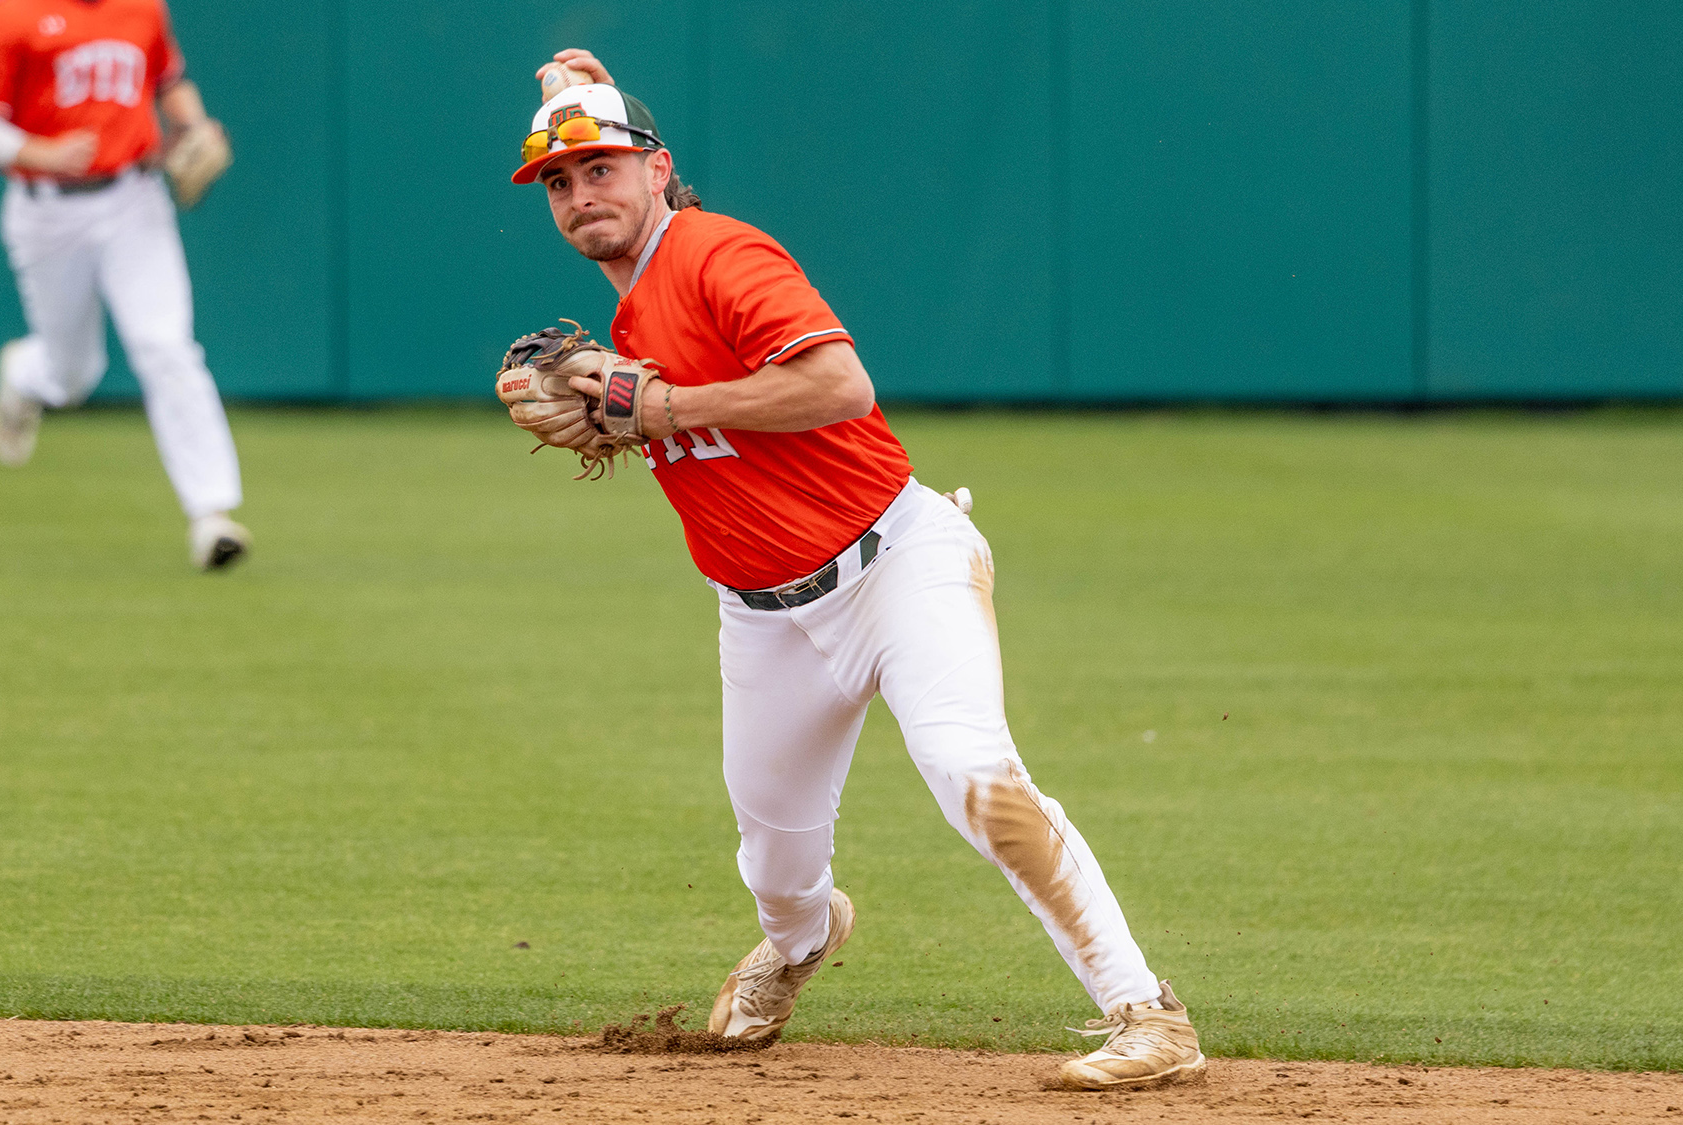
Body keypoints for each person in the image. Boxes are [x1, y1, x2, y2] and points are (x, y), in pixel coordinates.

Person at [508, 49, 1207, 1090]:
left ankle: (1148, 1015)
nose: (578, 195)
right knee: (777, 868)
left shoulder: (718, 254)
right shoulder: (631, 315)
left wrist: (662, 409)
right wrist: (620, 419)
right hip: (762, 618)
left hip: (897, 566)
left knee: (972, 773)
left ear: (658, 171)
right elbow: (675, 415)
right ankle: (799, 944)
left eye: (600, 168)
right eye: (559, 183)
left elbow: (839, 385)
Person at [0, 0, 250, 570]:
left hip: (134, 198)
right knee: (72, 375)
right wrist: (39, 152)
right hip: (46, 210)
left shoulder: (141, 7)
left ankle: (211, 515)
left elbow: (169, 79)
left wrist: (194, 124)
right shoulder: (11, 14)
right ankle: (25, 373)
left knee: (166, 347)